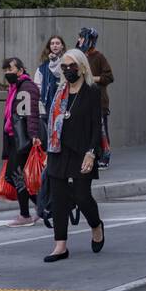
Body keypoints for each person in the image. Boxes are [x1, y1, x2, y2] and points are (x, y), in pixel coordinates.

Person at [42, 49, 105, 263]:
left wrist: (91, 153)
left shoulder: (92, 92)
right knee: (58, 197)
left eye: (72, 66)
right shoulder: (58, 91)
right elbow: (51, 122)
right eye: (64, 67)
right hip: (58, 151)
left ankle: (96, 225)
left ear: (82, 67)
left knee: (81, 195)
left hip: (82, 151)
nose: (68, 70)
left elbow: (97, 126)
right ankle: (60, 245)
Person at [1, 58, 43, 227]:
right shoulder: (15, 88)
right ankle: (44, 206)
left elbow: (31, 114)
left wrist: (33, 135)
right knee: (15, 176)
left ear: (20, 70)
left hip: (22, 139)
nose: (6, 73)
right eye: (4, 70)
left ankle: (26, 214)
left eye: (9, 69)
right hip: (13, 138)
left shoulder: (27, 87)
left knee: (16, 175)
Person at [76, 26, 114, 168]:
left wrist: (93, 78)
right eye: (79, 37)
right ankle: (92, 155)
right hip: (83, 99)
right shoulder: (79, 56)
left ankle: (105, 156)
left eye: (81, 37)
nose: (79, 40)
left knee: (101, 128)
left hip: (99, 100)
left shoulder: (98, 56)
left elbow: (109, 76)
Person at [33, 35, 66, 116]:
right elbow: (37, 86)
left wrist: (55, 61)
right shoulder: (42, 68)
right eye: (52, 43)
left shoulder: (67, 63)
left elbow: (59, 74)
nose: (55, 45)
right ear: (49, 46)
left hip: (62, 103)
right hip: (46, 105)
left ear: (62, 46)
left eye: (57, 43)